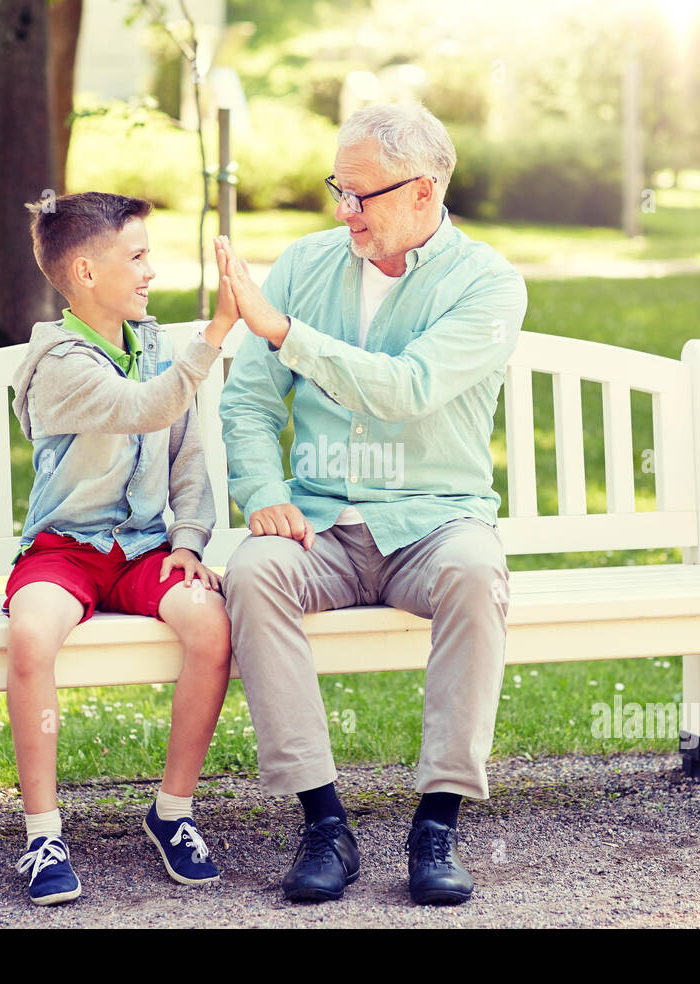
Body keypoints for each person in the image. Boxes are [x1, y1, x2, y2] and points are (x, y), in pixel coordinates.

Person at [217, 102, 528, 906]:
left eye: (362, 194)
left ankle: (438, 825)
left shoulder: (488, 283)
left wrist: (287, 333)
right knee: (251, 574)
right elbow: (248, 401)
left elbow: (407, 390)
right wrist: (263, 491)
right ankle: (324, 822)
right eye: (337, 190)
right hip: (319, 524)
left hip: (434, 522)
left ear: (423, 191)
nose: (343, 210)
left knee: (474, 575)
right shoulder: (305, 264)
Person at [4, 191, 235, 904]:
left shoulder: (156, 347)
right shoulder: (60, 363)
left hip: (143, 549)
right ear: (84, 273)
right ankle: (43, 834)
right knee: (31, 635)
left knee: (211, 627)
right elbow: (146, 408)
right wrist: (217, 334)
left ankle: (172, 812)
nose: (150, 272)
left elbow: (188, 455)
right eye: (135, 257)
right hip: (64, 550)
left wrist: (190, 541)